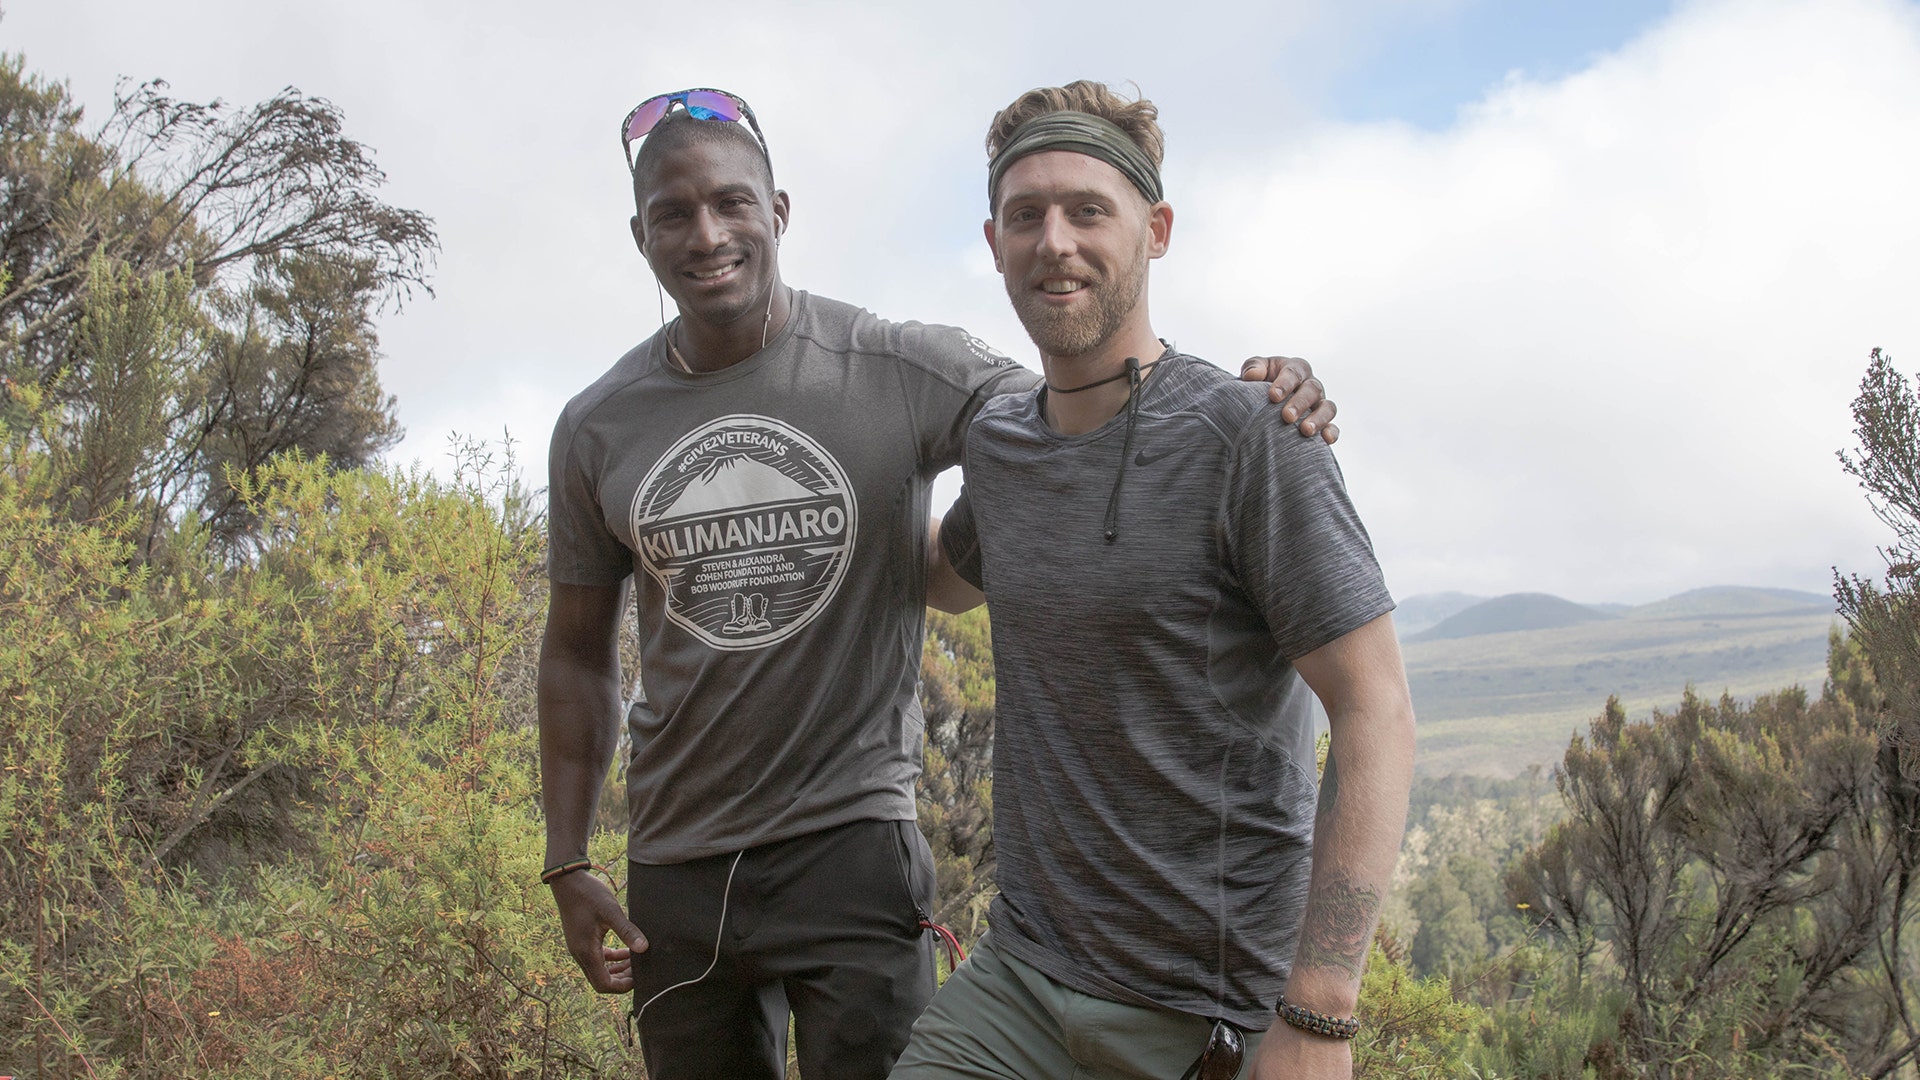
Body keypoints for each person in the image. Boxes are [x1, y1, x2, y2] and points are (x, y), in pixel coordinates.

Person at [537, 87, 1342, 1080]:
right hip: (673, 865)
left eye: (732, 204)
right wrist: (569, 859)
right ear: (639, 234)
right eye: (673, 213)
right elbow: (575, 653)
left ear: (776, 212)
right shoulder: (596, 424)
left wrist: (1253, 394)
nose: (707, 235)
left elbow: (1087, 399)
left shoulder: (899, 365)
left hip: (850, 850)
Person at [889, 81, 1417, 1080]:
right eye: (1026, 215)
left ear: (1156, 229)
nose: (1056, 239)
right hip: (1022, 984)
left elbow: (1376, 708)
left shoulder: (1250, 437)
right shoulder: (1000, 444)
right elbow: (934, 578)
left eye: (1089, 209)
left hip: (1207, 1009)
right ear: (994, 242)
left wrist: (1319, 1015)